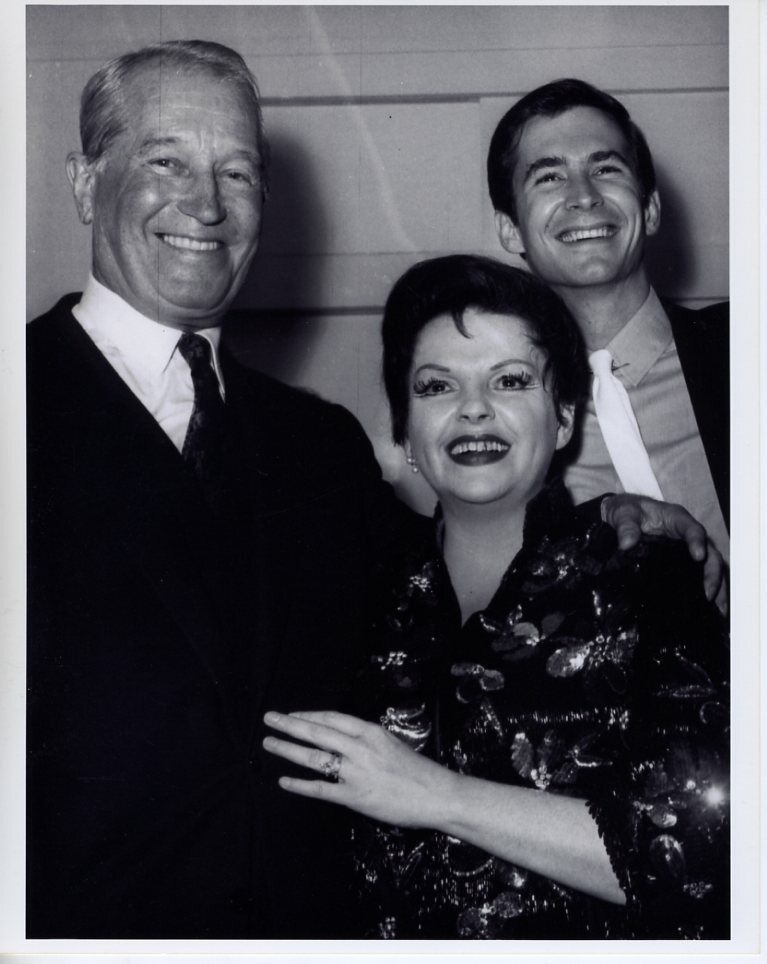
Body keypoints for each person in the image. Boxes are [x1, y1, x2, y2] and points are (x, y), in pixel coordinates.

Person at [26, 41, 722, 939]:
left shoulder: (316, 444)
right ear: (86, 182)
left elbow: (469, 561)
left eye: (237, 172)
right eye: (166, 162)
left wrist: (624, 511)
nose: (206, 204)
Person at [262, 255, 730, 940]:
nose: (473, 407)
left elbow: (708, 851)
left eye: (510, 380)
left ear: (563, 418)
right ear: (404, 431)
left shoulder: (644, 574)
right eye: (436, 386)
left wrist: (439, 798)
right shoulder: (357, 587)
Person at [486, 79, 729, 565]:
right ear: (511, 231)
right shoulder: (499, 412)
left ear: (650, 208)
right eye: (549, 177)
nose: (583, 196)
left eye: (605, 168)